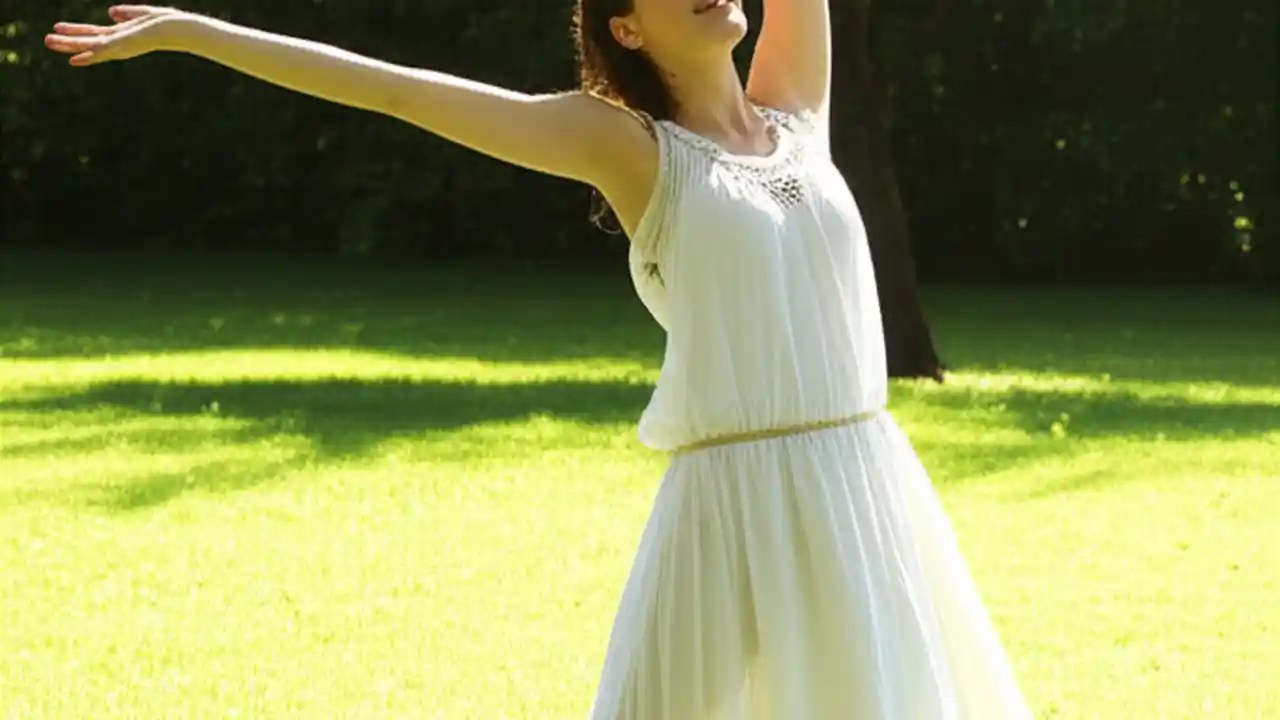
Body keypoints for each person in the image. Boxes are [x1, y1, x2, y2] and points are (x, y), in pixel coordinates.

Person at [45, 3, 1035, 718]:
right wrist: (194, 33)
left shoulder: (795, 113)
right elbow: (396, 92)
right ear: (626, 28)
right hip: (728, 505)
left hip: (862, 487)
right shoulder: (628, 147)